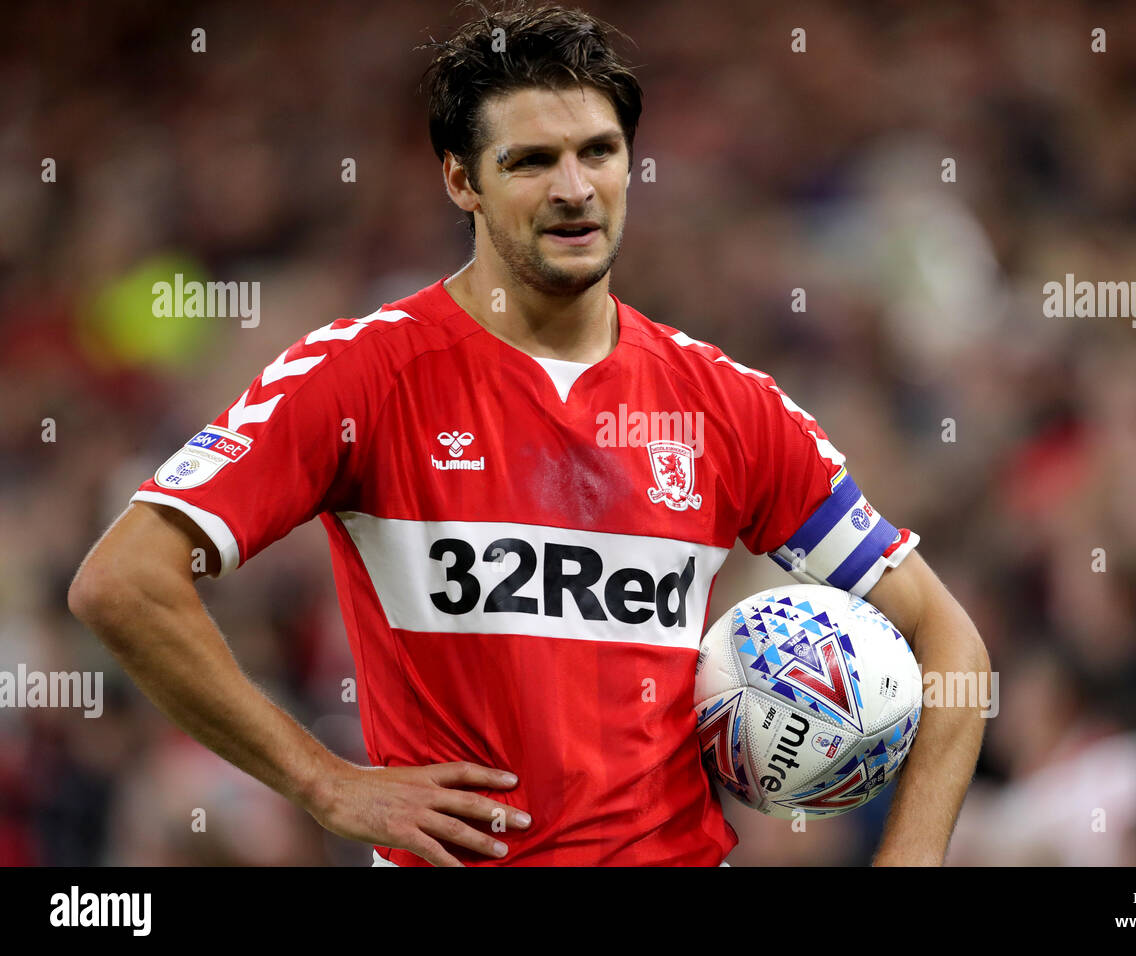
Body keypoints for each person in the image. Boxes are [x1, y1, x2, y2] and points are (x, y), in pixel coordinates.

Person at [67, 1, 989, 866]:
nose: (576, 189)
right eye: (533, 161)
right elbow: (125, 582)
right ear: (461, 178)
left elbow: (951, 643)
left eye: (600, 151)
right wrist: (327, 786)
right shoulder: (364, 374)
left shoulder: (729, 405)